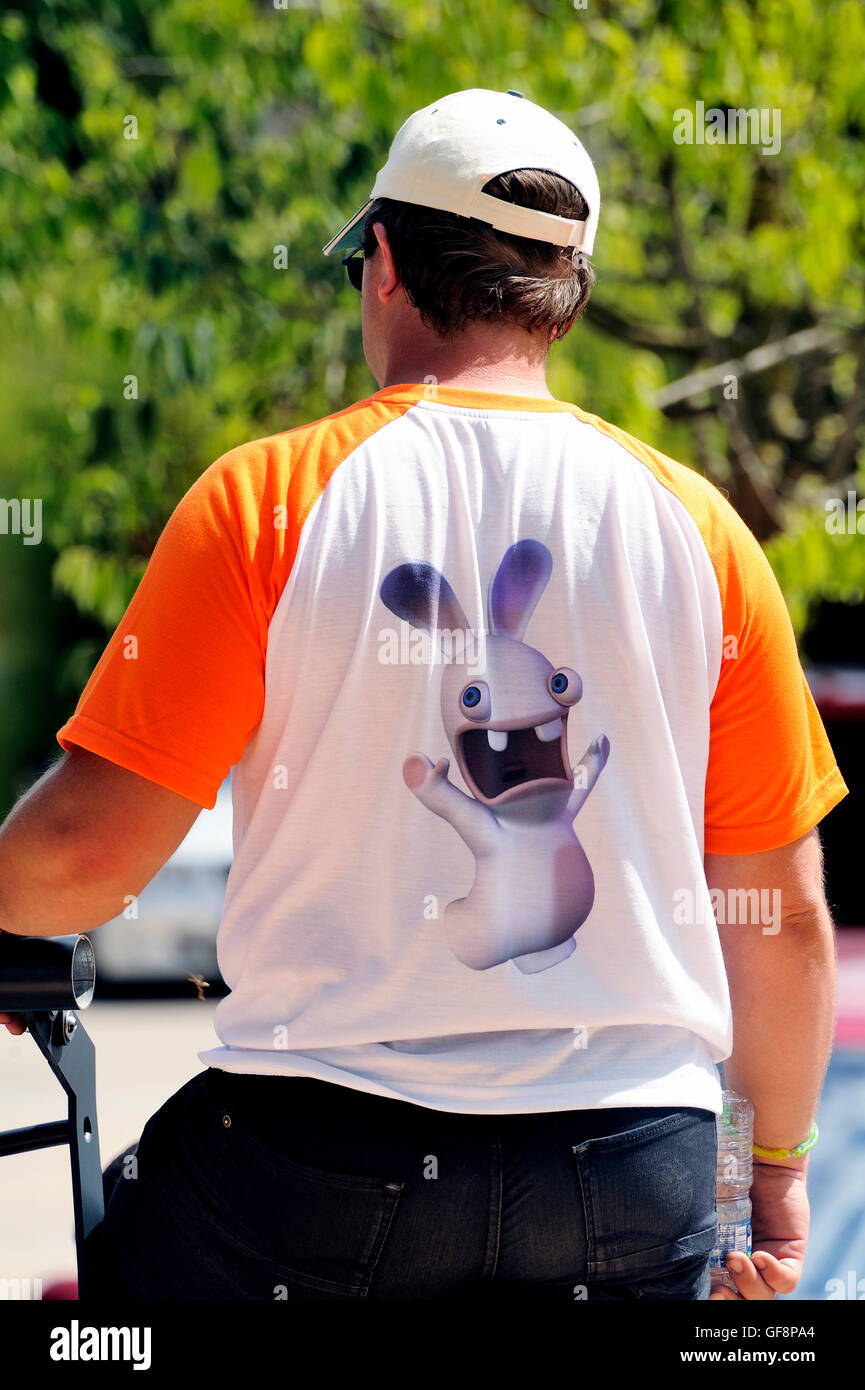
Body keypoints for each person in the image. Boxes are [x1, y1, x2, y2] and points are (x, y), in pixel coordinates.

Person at [0, 88, 847, 1301]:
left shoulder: (267, 503)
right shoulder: (702, 533)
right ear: (572, 294)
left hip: (313, 1168)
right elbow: (783, 915)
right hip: (643, 1165)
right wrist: (769, 1169)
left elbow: (86, 853)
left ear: (384, 262)